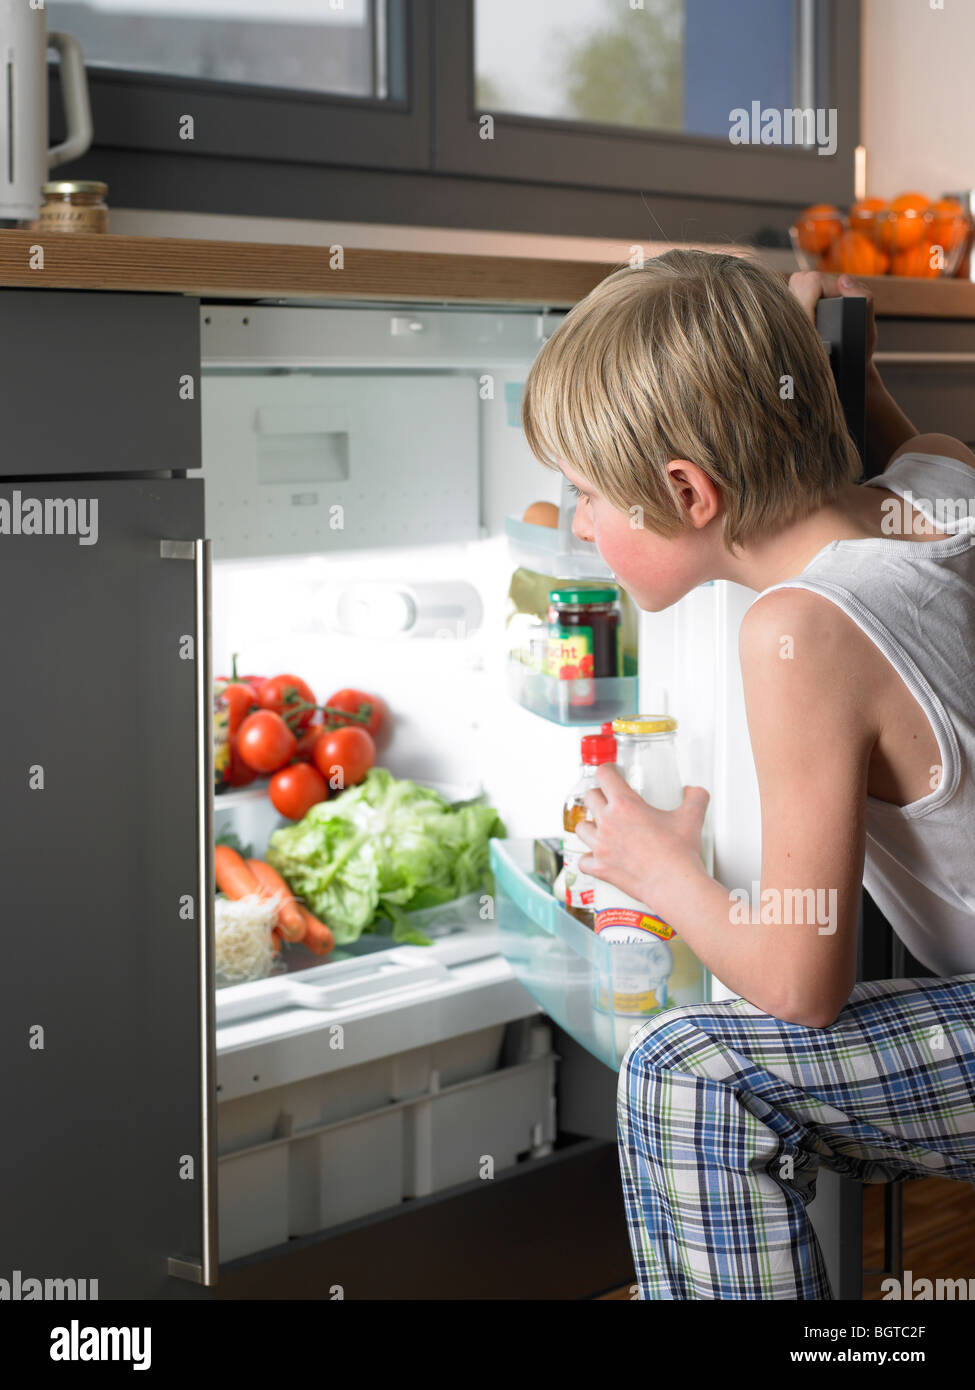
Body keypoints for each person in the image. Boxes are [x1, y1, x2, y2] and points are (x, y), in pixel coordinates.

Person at [520, 250, 975, 1300]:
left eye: (588, 495)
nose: (580, 523)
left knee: (689, 1073)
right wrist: (819, 361)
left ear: (687, 492)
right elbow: (864, 421)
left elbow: (799, 986)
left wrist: (658, 866)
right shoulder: (942, 480)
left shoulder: (803, 634)